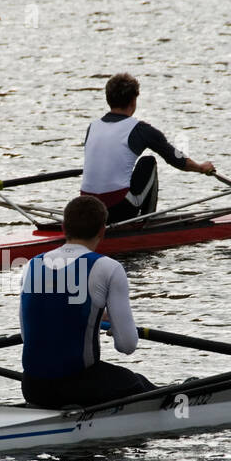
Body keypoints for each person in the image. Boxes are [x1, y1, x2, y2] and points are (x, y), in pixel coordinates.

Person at [19, 195, 156, 408]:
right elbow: (127, 345)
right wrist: (115, 326)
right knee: (139, 384)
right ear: (102, 230)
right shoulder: (108, 268)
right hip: (80, 385)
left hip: (33, 388)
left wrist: (95, 316)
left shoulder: (31, 265)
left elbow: (29, 334)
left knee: (125, 380)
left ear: (64, 228)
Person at [82, 72, 216, 224]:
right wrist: (201, 167)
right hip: (118, 209)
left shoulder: (92, 127)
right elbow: (177, 159)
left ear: (108, 100)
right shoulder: (141, 130)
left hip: (87, 209)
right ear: (133, 101)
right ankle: (146, 222)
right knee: (148, 162)